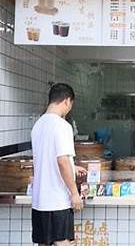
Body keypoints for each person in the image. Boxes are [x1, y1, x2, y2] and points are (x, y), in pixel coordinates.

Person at [31, 83, 87, 246]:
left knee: (44, 243)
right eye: (71, 105)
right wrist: (74, 194)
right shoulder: (62, 126)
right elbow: (61, 161)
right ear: (67, 101)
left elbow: (46, 158)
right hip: (57, 200)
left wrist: (72, 166)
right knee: (62, 242)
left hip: (39, 201)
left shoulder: (38, 125)